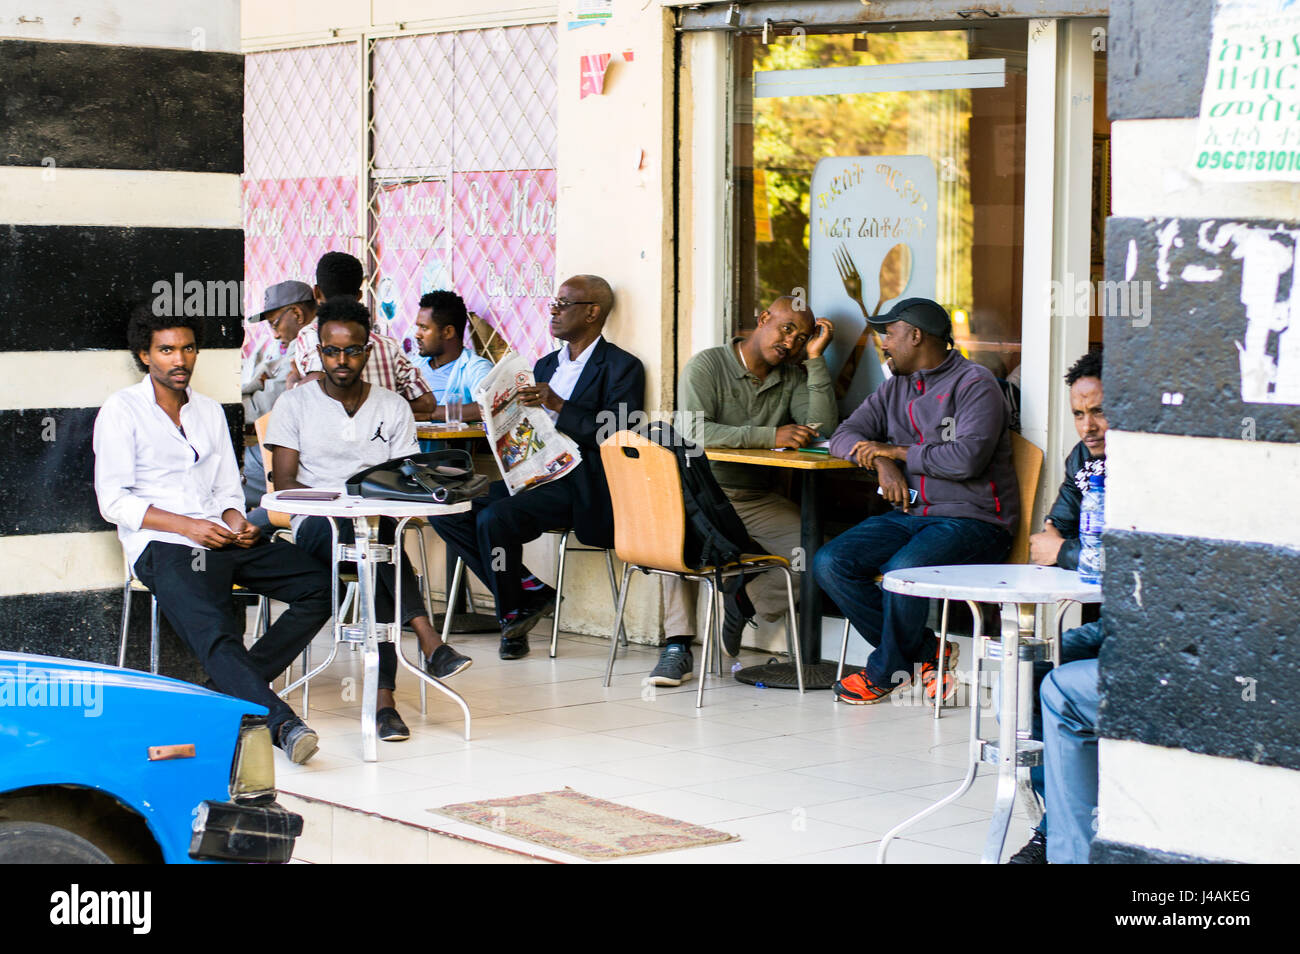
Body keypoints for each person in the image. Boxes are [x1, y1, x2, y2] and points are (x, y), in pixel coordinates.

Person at [94, 307, 331, 764]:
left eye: (187, 348)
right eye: (166, 350)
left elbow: (226, 487)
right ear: (145, 356)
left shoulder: (207, 412)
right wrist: (187, 526)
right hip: (162, 545)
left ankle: (221, 691)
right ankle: (282, 724)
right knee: (217, 633)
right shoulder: (121, 411)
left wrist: (235, 520)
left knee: (319, 586)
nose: (179, 359)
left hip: (219, 537)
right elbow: (114, 501)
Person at [265, 297, 473, 743]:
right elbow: (282, 483)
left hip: (377, 523)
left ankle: (387, 700)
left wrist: (370, 506)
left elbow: (407, 479)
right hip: (317, 520)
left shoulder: (392, 406)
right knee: (372, 545)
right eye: (332, 351)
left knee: (374, 549)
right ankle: (420, 647)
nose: (342, 361)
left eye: (353, 350)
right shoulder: (295, 404)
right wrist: (344, 501)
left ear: (369, 350)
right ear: (319, 350)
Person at [814, 297, 1019, 704]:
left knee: (901, 570)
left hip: (976, 521)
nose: (884, 343)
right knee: (829, 562)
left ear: (916, 335)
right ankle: (929, 651)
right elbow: (843, 436)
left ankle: (885, 672)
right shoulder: (895, 387)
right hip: (911, 514)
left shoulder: (976, 384)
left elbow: (965, 459)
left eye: (889, 334)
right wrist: (881, 464)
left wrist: (897, 452)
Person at [430, 274, 645, 660]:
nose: (554, 311)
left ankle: (512, 618)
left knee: (494, 518)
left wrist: (561, 405)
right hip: (532, 474)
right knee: (447, 507)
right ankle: (527, 593)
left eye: (564, 304)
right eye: (554, 303)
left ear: (593, 312)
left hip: (584, 485)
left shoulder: (621, 367)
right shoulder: (545, 363)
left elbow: (619, 431)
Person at [650, 297, 837, 686]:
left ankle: (744, 600)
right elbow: (695, 432)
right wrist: (771, 436)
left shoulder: (792, 375)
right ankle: (677, 646)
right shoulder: (707, 365)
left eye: (801, 338)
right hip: (700, 492)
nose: (791, 342)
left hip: (754, 498)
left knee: (817, 552)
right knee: (678, 541)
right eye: (786, 328)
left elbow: (823, 425)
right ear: (763, 317)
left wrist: (816, 360)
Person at [1008, 346, 1107, 864]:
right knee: (1034, 665)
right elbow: (1048, 533)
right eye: (1078, 413)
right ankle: (1054, 818)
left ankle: (1057, 833)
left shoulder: (1148, 462)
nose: (1088, 426)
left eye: (1098, 411)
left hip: (1130, 628)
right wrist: (1068, 548)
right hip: (1103, 619)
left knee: (1057, 673)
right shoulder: (1082, 458)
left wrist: (1068, 551)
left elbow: (1121, 555)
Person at [288, 252, 435, 420]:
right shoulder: (388, 345)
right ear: (359, 295)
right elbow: (427, 402)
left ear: (316, 293)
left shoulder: (311, 335)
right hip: (383, 443)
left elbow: (316, 381)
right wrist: (383, 409)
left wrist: (292, 383)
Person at [242, 281, 317, 520]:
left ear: (297, 313)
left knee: (222, 480)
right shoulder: (289, 347)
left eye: (275, 323)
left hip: (303, 464)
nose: (274, 334)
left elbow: (257, 409)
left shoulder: (306, 346)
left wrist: (246, 391)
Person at [412, 290, 493, 422]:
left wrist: (431, 414)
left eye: (424, 328)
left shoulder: (476, 368)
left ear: (448, 332)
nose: (417, 334)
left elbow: (490, 406)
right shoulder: (413, 366)